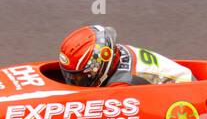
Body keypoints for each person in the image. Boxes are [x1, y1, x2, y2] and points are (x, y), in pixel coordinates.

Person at [58, 25, 193, 87]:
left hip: (188, 92)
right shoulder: (113, 54)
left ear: (98, 69)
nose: (72, 82)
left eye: (78, 78)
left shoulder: (121, 84)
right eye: (69, 76)